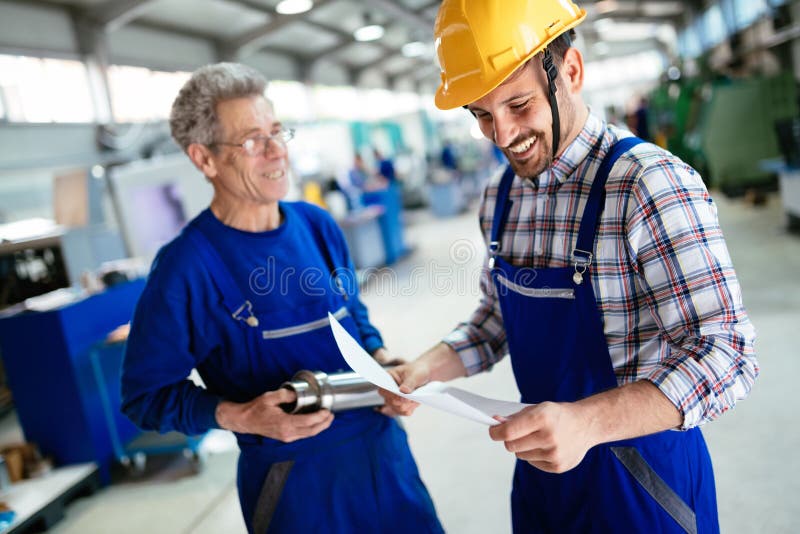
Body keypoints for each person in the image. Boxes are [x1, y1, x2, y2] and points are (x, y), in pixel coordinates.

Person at [380, 2, 757, 533]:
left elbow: (728, 353)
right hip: (545, 479)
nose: (504, 135)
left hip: (645, 487)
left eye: (519, 104)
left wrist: (585, 422)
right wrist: (426, 369)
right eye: (482, 115)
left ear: (572, 72)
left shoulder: (647, 184)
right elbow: (496, 318)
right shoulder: (502, 194)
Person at [121, 62, 443, 534]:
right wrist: (238, 416)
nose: (276, 152)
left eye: (277, 132)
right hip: (294, 485)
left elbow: (353, 314)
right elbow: (144, 396)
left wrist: (382, 360)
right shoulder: (185, 268)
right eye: (252, 140)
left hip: (384, 461)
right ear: (204, 159)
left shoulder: (317, 226)